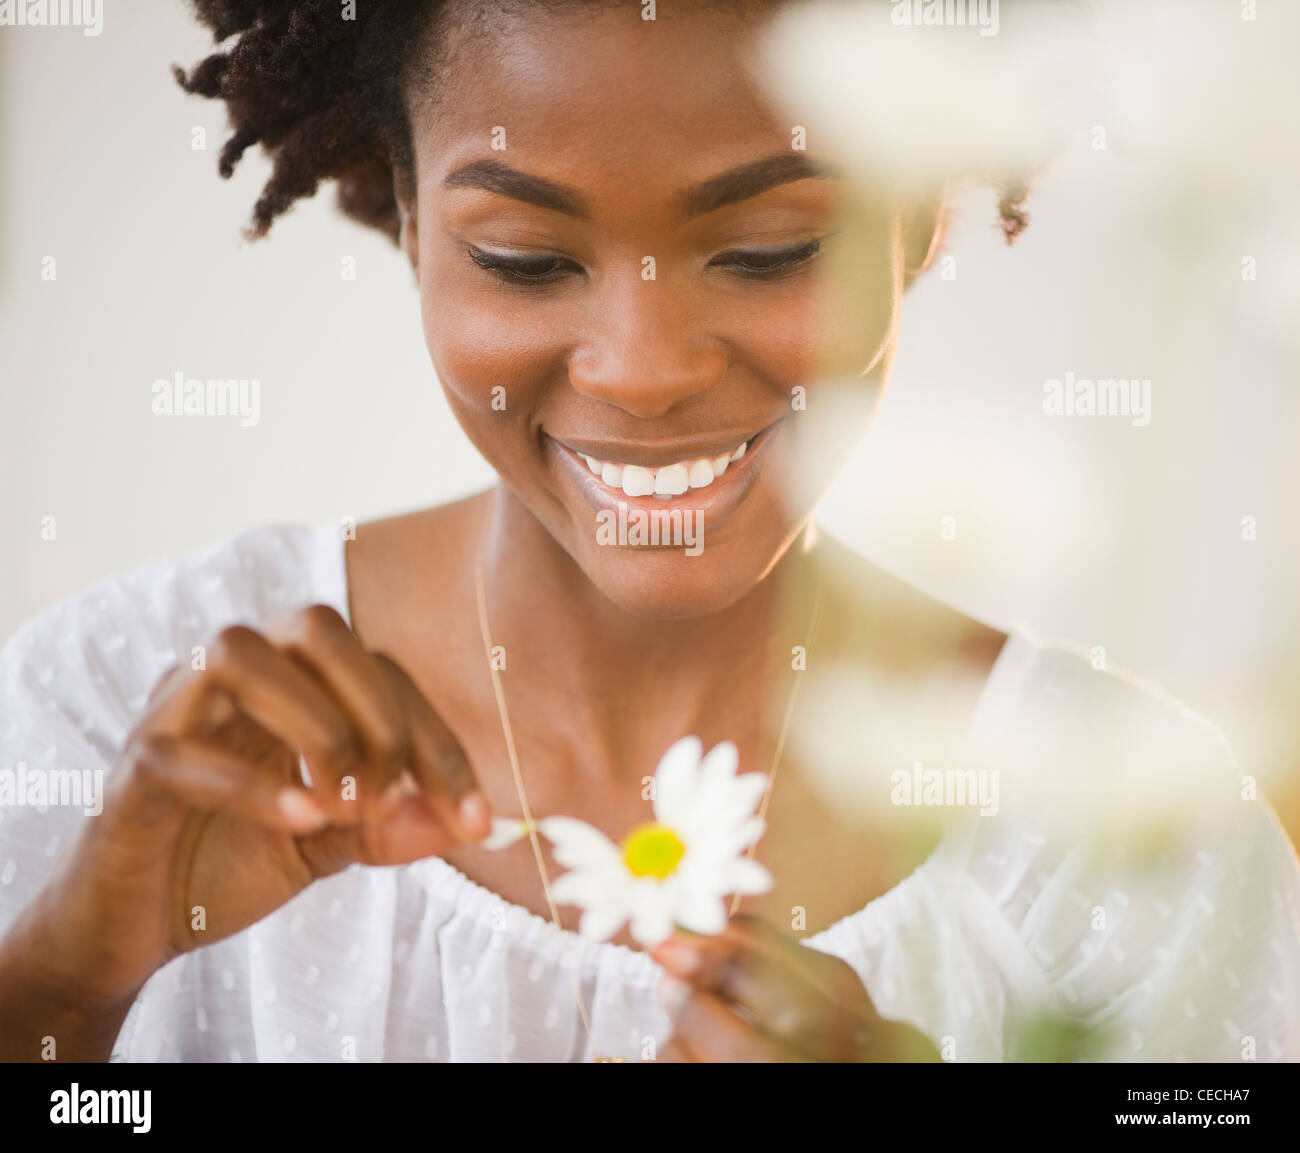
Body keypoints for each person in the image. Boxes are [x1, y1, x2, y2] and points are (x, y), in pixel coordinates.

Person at [0, 0, 1295, 1062]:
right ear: (403, 212)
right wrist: (65, 973)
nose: (642, 369)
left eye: (772, 245)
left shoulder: (1131, 844)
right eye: (522, 257)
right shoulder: (115, 719)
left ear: (922, 219)